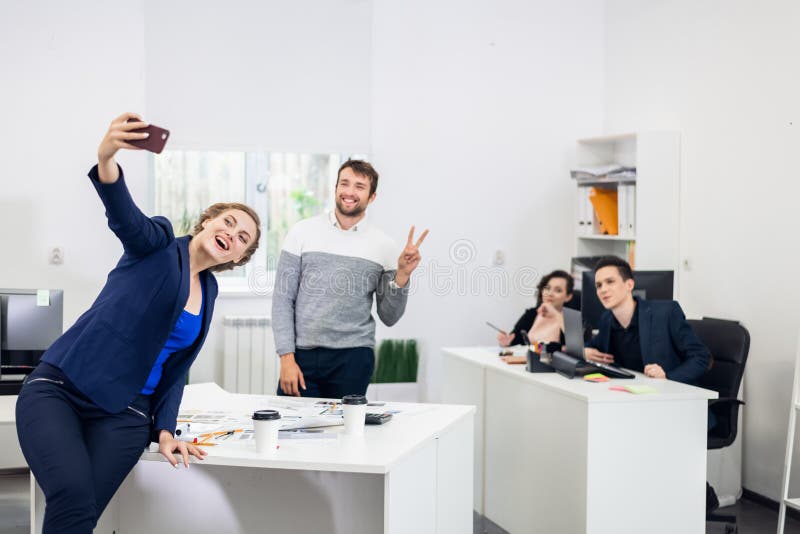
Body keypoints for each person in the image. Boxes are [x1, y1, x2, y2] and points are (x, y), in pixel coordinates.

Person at [15, 112, 261, 534]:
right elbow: (124, 216)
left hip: (127, 412)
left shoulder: (210, 294)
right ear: (207, 221)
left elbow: (175, 370)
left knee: (80, 512)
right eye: (229, 223)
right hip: (61, 388)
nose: (232, 235)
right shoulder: (160, 245)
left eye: (243, 239)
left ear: (237, 259)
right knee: (72, 497)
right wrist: (107, 157)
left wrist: (165, 429)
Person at [272, 159, 427, 398]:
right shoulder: (302, 232)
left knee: (345, 433)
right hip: (301, 356)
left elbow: (389, 316)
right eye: (344, 183)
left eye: (359, 186)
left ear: (372, 197)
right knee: (291, 431)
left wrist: (403, 275)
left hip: (354, 358)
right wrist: (286, 358)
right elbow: (283, 300)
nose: (350, 192)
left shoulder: (384, 246)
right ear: (335, 188)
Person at [583, 256, 710, 384]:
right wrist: (585, 352)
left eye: (610, 282)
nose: (603, 289)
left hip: (668, 394)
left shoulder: (666, 313)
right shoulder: (607, 319)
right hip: (628, 393)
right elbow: (594, 347)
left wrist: (667, 376)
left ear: (629, 284)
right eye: (598, 285)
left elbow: (701, 357)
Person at [497, 269, 575, 348]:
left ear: (568, 297)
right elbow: (515, 341)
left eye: (558, 290)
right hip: (524, 359)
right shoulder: (532, 313)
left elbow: (575, 346)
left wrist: (555, 313)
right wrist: (506, 342)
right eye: (547, 288)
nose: (550, 293)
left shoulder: (572, 320)